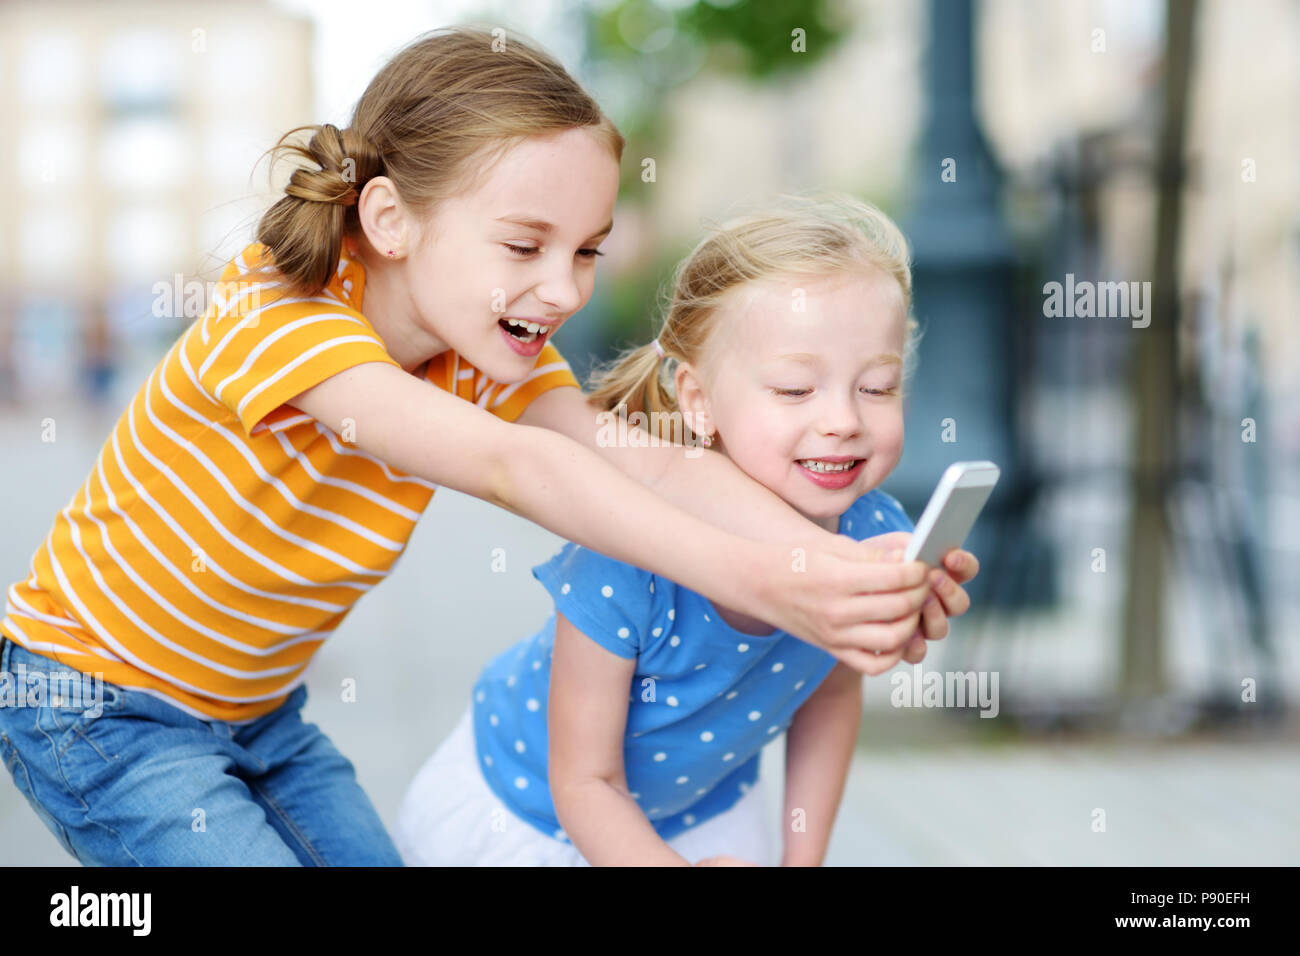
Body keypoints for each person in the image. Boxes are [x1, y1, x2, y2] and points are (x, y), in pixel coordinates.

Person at [0, 29, 963, 866]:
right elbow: (524, 468)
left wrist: (843, 576)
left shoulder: (485, 354)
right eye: (524, 245)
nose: (565, 290)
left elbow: (649, 461)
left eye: (586, 249)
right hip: (93, 706)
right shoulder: (280, 316)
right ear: (390, 220)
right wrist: (771, 584)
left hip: (257, 712)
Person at [394, 195, 979, 867]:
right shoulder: (630, 554)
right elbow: (583, 782)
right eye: (795, 389)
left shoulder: (875, 529)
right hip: (528, 814)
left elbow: (830, 694)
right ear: (697, 402)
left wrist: (803, 859)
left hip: (704, 808)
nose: (844, 420)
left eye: (876, 387)